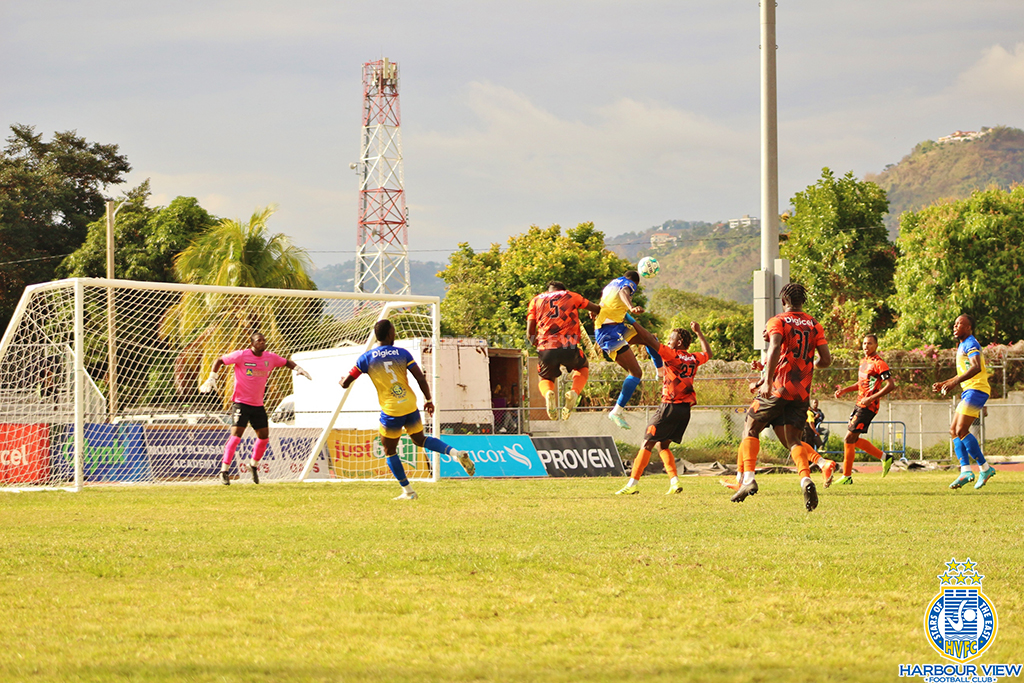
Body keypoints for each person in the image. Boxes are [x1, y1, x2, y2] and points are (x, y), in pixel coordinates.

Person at [341, 319, 476, 500]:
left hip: (391, 410)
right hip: (409, 404)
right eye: (394, 331)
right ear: (390, 334)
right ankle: (456, 453)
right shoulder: (402, 353)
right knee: (420, 439)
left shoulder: (366, 358)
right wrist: (428, 399)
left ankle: (408, 492)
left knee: (390, 451)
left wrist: (342, 380)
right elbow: (420, 378)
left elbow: (346, 383)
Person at [728, 283, 831, 511]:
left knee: (751, 426)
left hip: (778, 387)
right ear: (802, 301)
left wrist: (766, 380)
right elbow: (826, 360)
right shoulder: (815, 325)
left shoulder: (779, 320)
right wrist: (807, 365)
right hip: (801, 391)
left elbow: (774, 348)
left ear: (784, 299)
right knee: (793, 440)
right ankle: (805, 479)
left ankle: (749, 479)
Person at [200, 332, 312, 486]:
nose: (262, 342)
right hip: (241, 403)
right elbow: (219, 360)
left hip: (258, 405)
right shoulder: (241, 355)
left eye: (264, 340)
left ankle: (253, 466)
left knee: (264, 437)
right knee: (236, 436)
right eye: (259, 340)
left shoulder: (270, 358)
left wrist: (298, 368)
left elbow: (286, 362)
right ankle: (224, 471)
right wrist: (212, 377)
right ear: (252, 343)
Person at [615, 322, 711, 496]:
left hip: (669, 406)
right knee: (662, 446)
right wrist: (699, 332)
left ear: (679, 342)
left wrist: (633, 322)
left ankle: (632, 483)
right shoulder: (693, 358)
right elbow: (708, 354)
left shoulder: (671, 354)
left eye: (671, 338)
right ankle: (674, 482)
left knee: (647, 443)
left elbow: (650, 340)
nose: (668, 341)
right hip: (684, 410)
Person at [932, 314, 996, 490]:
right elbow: (963, 372)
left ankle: (985, 468)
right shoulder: (962, 345)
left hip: (977, 390)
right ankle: (966, 471)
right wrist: (946, 383)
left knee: (961, 429)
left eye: (960, 324)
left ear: (968, 328)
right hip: (970, 390)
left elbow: (976, 367)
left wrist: (954, 382)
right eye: (954, 324)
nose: (955, 326)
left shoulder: (971, 343)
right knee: (954, 430)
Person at [593, 270, 661, 429]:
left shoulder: (610, 285)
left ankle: (661, 372)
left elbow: (605, 304)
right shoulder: (628, 284)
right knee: (636, 372)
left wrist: (594, 311)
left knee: (651, 340)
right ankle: (616, 411)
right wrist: (630, 306)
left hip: (617, 326)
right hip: (607, 333)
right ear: (635, 283)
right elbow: (624, 291)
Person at [526, 281, 601, 420]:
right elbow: (597, 308)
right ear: (563, 289)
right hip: (569, 347)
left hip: (546, 348)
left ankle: (548, 392)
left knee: (546, 377)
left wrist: (536, 343)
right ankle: (574, 392)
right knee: (582, 366)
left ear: (549, 290)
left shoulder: (536, 300)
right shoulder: (570, 296)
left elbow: (529, 331)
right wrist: (593, 311)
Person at [833, 334, 897, 484]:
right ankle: (885, 458)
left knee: (849, 438)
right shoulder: (864, 361)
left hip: (869, 406)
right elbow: (862, 383)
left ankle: (846, 477)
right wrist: (845, 390)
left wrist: (871, 398)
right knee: (853, 439)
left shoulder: (879, 364)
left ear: (876, 346)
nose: (866, 346)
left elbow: (891, 385)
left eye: (869, 343)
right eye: (864, 343)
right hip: (859, 404)